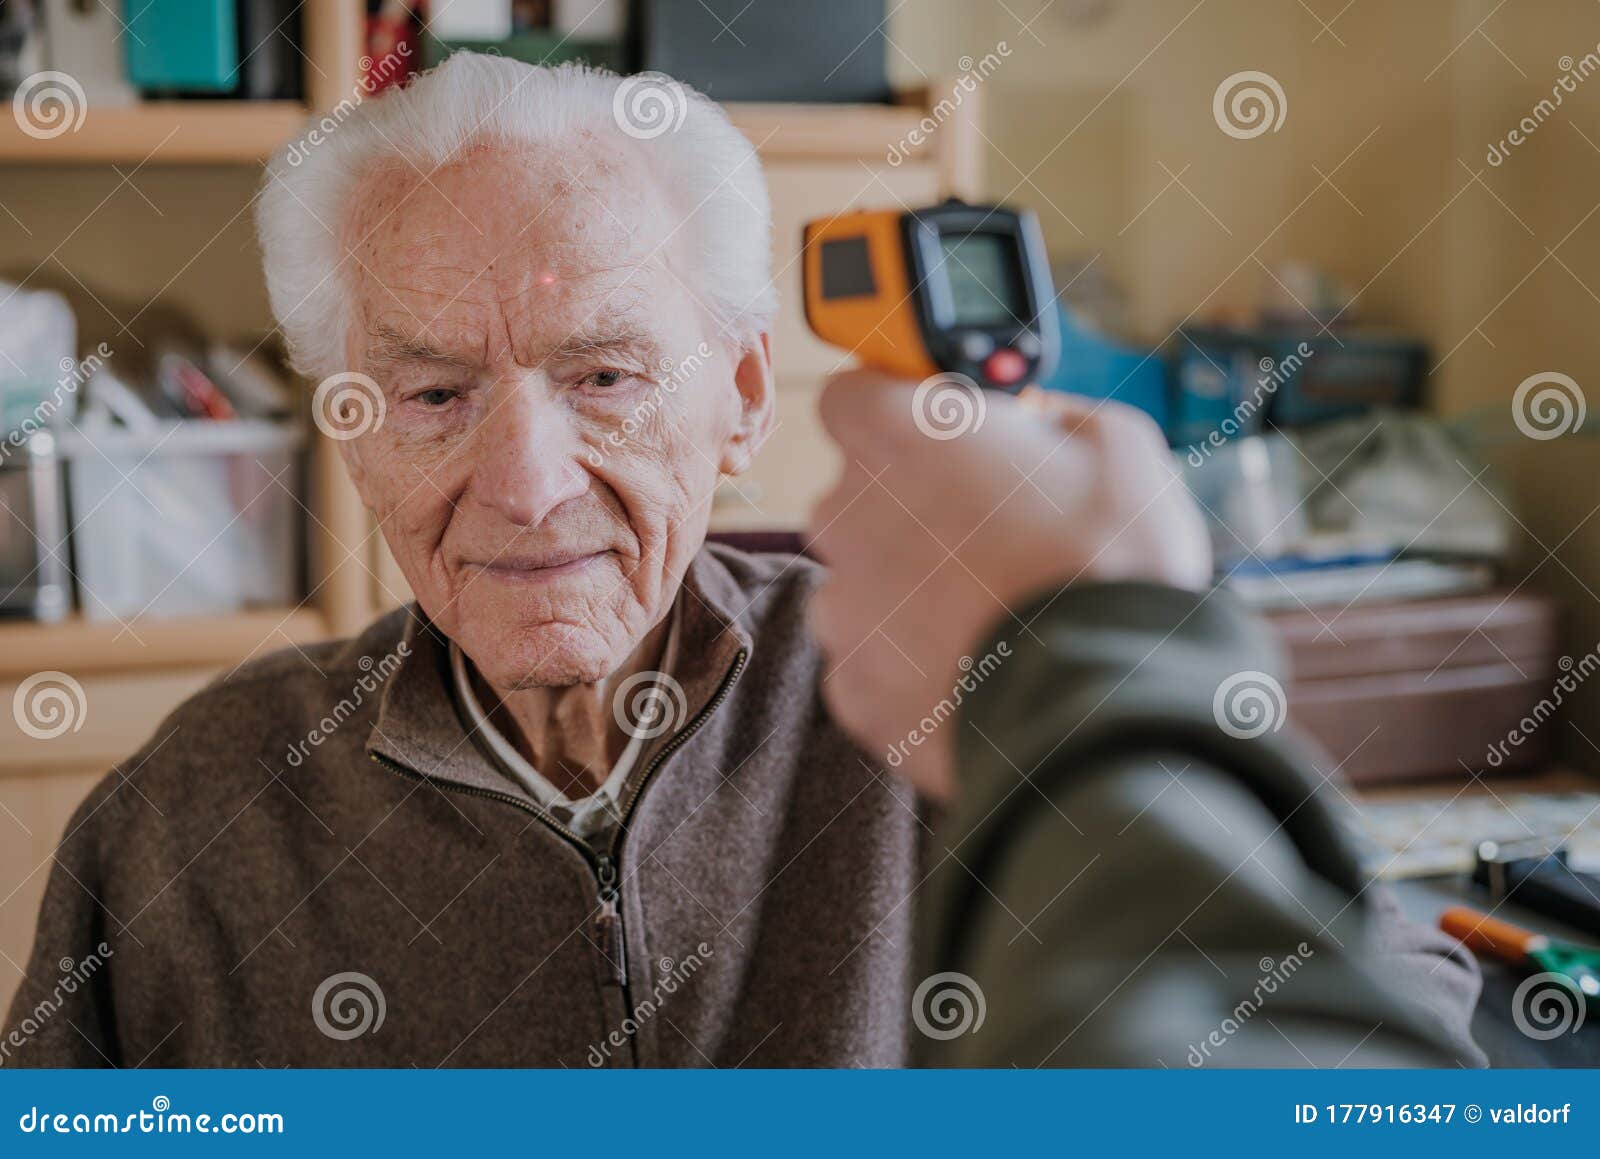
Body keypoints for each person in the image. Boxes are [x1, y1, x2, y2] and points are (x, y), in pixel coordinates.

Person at [5, 55, 1475, 1069]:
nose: (525, 484)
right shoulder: (191, 815)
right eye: (434, 392)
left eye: (604, 376)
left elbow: (1376, 1054)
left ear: (746, 396)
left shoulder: (966, 686)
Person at [807, 375, 1487, 1066]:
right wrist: (1107, 647)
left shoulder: (910, 652)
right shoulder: (904, 642)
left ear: (752, 393)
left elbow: (1392, 1021)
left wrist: (1082, 651)